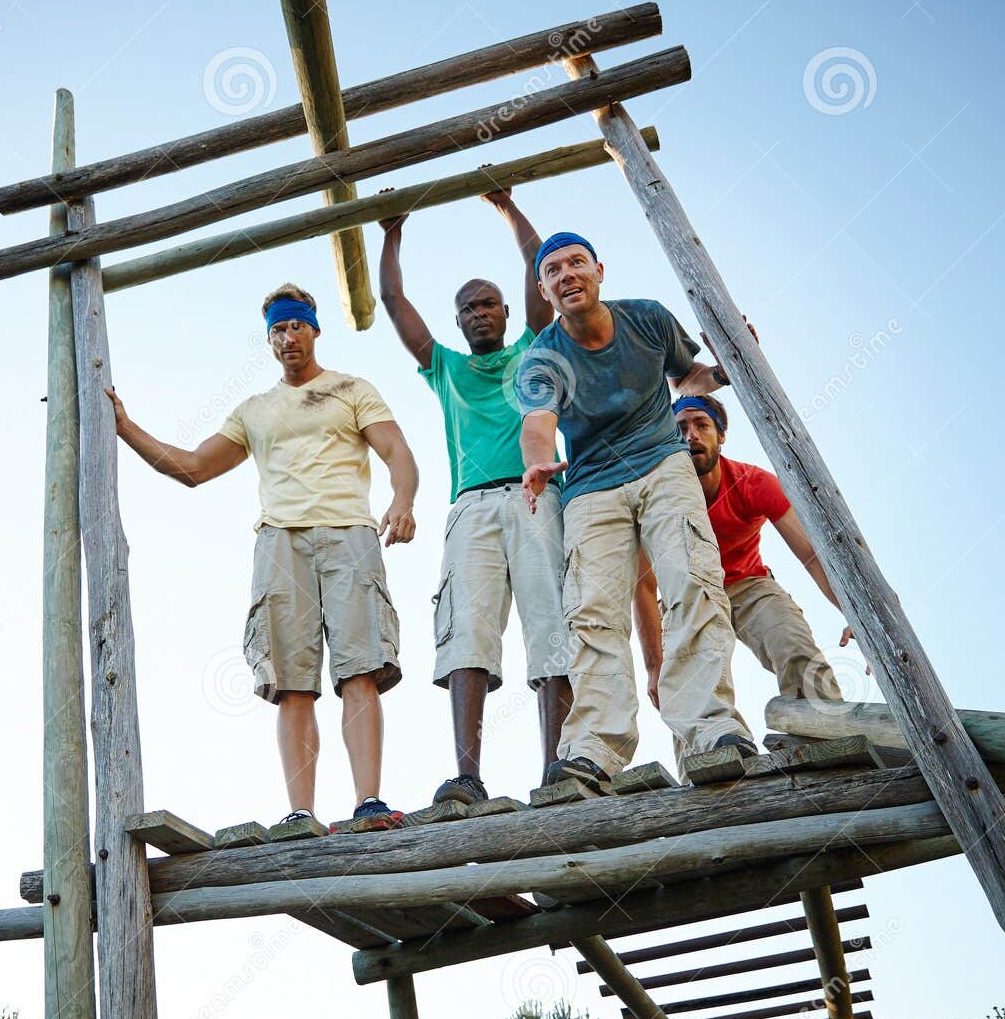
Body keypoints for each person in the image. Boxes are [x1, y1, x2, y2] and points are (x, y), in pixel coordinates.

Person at [105, 284, 419, 830]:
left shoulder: (350, 389)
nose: (287, 337)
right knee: (292, 681)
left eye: (296, 325)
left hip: (349, 533)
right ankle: (301, 811)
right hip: (280, 541)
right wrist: (126, 428)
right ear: (269, 341)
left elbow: (397, 451)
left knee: (360, 669)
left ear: (314, 329)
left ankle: (368, 801)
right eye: (277, 329)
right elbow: (193, 468)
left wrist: (403, 499)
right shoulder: (254, 410)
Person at [517, 232, 757, 790]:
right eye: (554, 270)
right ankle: (594, 748)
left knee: (691, 581)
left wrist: (720, 370)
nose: (567, 274)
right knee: (592, 610)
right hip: (591, 486)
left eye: (577, 263)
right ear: (544, 288)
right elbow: (537, 425)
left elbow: (686, 381)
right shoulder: (542, 357)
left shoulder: (648, 319)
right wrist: (537, 463)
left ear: (600, 270)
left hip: (662, 464)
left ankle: (712, 727)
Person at [377, 189, 572, 803]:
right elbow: (392, 300)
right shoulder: (447, 368)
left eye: (489, 303)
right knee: (467, 630)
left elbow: (540, 261)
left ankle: (557, 769)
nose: (480, 312)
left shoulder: (533, 349)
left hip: (538, 496)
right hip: (472, 506)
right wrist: (392, 232)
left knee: (552, 625)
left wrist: (507, 206)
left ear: (509, 310)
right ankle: (468, 775)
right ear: (458, 321)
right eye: (469, 308)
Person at [634, 392, 855, 717]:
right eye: (680, 428)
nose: (691, 435)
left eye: (701, 425)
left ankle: (827, 736)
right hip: (686, 589)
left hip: (748, 585)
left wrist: (854, 614)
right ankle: (710, 755)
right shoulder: (653, 498)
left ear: (721, 435)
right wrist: (654, 665)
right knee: (686, 684)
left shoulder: (754, 483)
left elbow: (811, 554)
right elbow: (643, 585)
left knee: (794, 647)